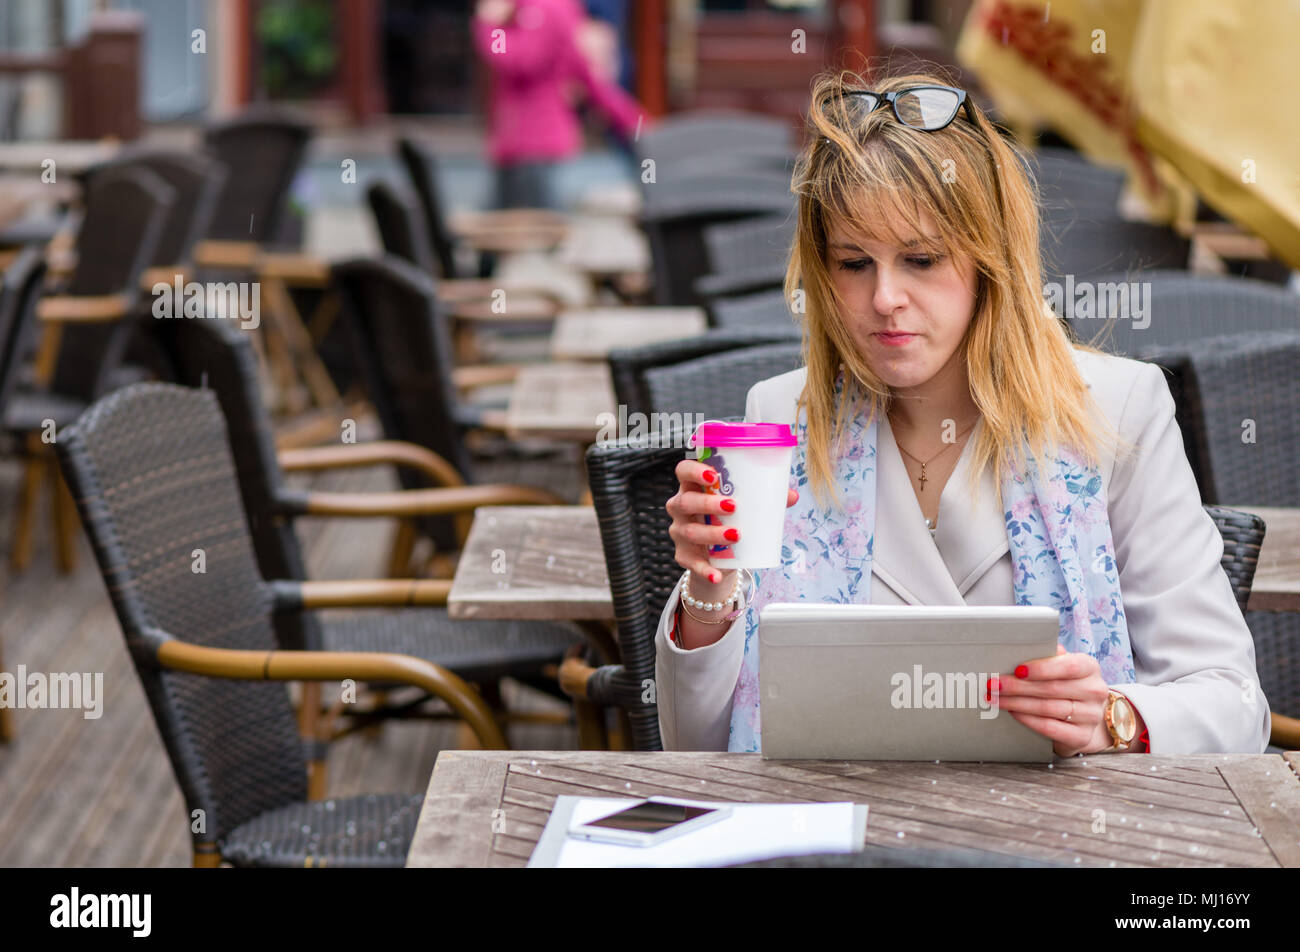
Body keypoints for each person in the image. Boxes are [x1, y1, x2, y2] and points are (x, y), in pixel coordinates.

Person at [657, 71, 1271, 756]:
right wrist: (711, 590)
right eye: (854, 263)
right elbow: (697, 744)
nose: (885, 296)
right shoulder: (778, 417)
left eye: (921, 259)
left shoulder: (1118, 412)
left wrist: (1113, 716)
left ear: (991, 259)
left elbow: (1235, 703)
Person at [471, 0, 647, 210]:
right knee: (502, 228)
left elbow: (516, 60)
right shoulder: (546, 9)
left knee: (534, 230)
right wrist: (634, 121)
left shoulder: (544, 9)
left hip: (534, 143)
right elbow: (588, 76)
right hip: (520, 143)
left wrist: (492, 27)